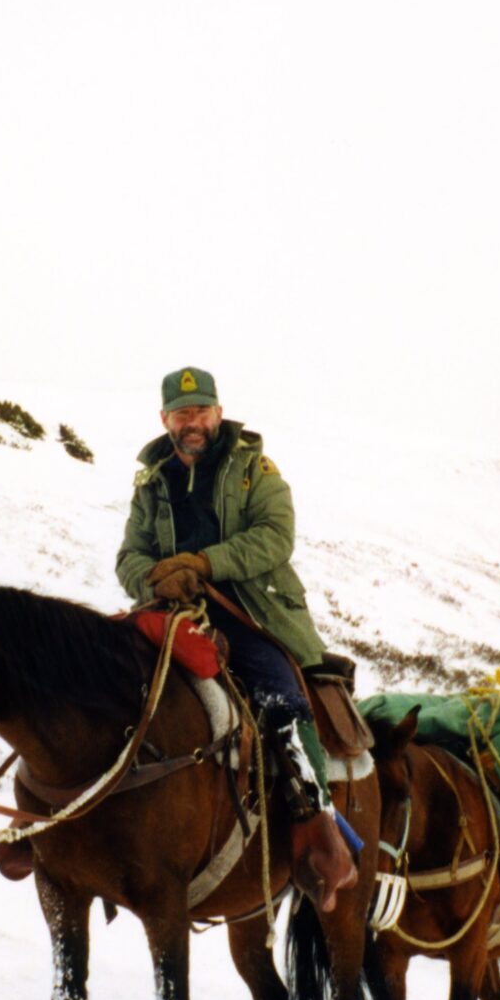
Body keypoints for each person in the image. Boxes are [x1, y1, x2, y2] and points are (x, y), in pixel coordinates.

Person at [115, 366, 359, 909]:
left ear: (218, 413)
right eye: (181, 414)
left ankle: (316, 824)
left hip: (248, 613)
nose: (192, 421)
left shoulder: (255, 469)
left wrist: (204, 563)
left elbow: (276, 536)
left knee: (280, 697)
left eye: (201, 411)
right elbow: (129, 554)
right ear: (165, 420)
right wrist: (153, 578)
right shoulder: (151, 483)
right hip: (171, 611)